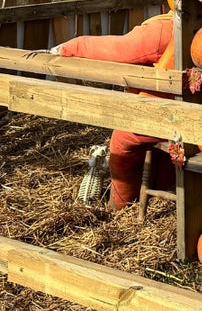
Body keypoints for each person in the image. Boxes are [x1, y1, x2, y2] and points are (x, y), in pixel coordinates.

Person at [53, 11, 176, 209]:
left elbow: (120, 50)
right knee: (161, 147)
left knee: (123, 140)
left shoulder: (164, 29)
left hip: (171, 113)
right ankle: (162, 190)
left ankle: (120, 206)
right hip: (194, 107)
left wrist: (69, 47)